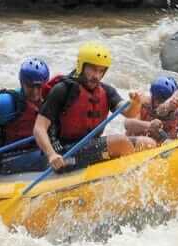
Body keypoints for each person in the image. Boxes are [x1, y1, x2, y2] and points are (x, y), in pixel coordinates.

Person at [34, 41, 156, 172]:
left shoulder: (106, 91)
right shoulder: (63, 90)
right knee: (121, 142)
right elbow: (39, 128)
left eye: (101, 71)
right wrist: (51, 154)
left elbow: (129, 113)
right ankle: (131, 178)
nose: (96, 76)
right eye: (92, 69)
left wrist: (136, 103)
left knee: (148, 143)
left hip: (91, 146)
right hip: (65, 152)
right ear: (81, 66)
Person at [125, 75, 178, 142]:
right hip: (133, 142)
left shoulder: (174, 113)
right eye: (157, 99)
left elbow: (172, 140)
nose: (158, 103)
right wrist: (149, 126)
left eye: (163, 101)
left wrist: (158, 133)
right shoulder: (144, 103)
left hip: (154, 147)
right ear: (152, 96)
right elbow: (127, 124)